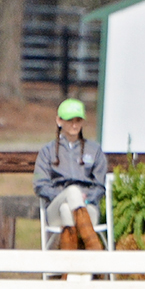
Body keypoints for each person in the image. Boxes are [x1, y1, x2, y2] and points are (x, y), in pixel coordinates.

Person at [33, 98, 108, 250]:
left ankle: (68, 262)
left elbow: (99, 185)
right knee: (72, 192)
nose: (74, 125)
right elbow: (40, 185)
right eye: (69, 120)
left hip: (88, 207)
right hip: (55, 209)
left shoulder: (94, 150)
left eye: (78, 120)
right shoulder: (47, 151)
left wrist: (85, 199)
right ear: (59, 121)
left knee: (67, 210)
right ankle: (93, 245)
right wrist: (66, 195)